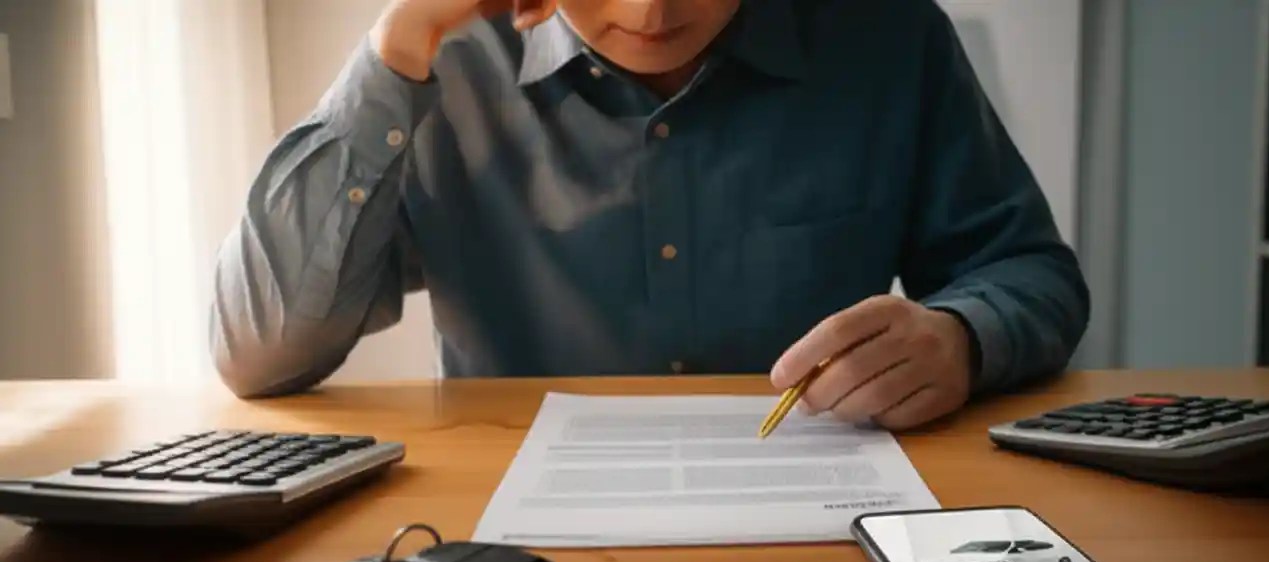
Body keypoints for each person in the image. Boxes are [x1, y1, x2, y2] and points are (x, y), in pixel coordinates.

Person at [211, 0, 1090, 430]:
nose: (652, 11)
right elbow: (258, 352)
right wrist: (397, 43)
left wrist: (962, 336)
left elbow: (1030, 272)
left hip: (826, 549)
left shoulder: (886, 35)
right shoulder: (446, 64)